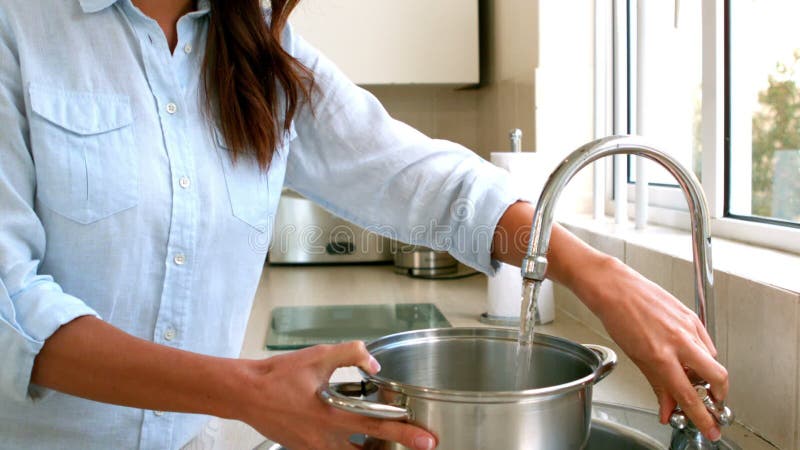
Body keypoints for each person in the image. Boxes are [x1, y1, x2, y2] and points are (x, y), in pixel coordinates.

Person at [0, 1, 728, 449]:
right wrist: (245, 388)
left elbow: (423, 179)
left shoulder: (255, 43)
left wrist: (589, 269)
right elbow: (12, 307)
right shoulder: (19, 25)